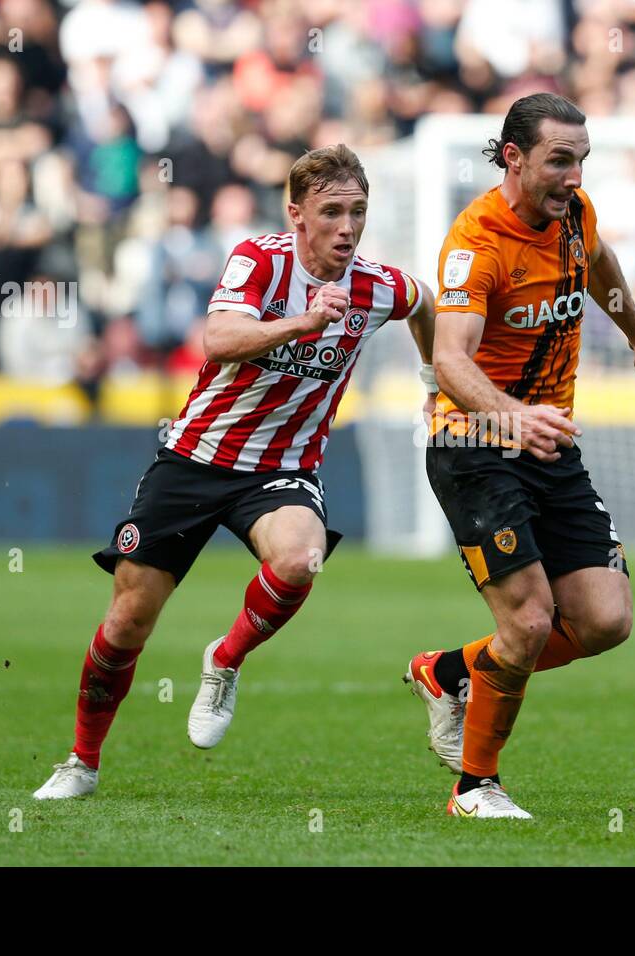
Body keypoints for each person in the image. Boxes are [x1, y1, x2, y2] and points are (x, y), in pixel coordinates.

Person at [34, 144, 437, 799]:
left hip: (281, 470)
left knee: (301, 558)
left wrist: (430, 380)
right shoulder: (260, 259)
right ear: (297, 213)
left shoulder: (375, 284)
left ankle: (224, 659)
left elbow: (425, 304)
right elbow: (218, 340)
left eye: (358, 212)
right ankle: (82, 761)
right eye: (331, 211)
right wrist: (304, 322)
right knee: (129, 619)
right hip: (196, 458)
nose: (347, 226)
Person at [405, 93, 635, 818]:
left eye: (583, 160)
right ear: (514, 158)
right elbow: (452, 362)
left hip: (546, 445)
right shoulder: (476, 243)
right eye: (561, 160)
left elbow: (603, 266)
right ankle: (474, 787)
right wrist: (513, 418)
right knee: (527, 622)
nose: (575, 176)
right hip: (477, 444)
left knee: (604, 620)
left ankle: (447, 672)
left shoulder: (574, 216)